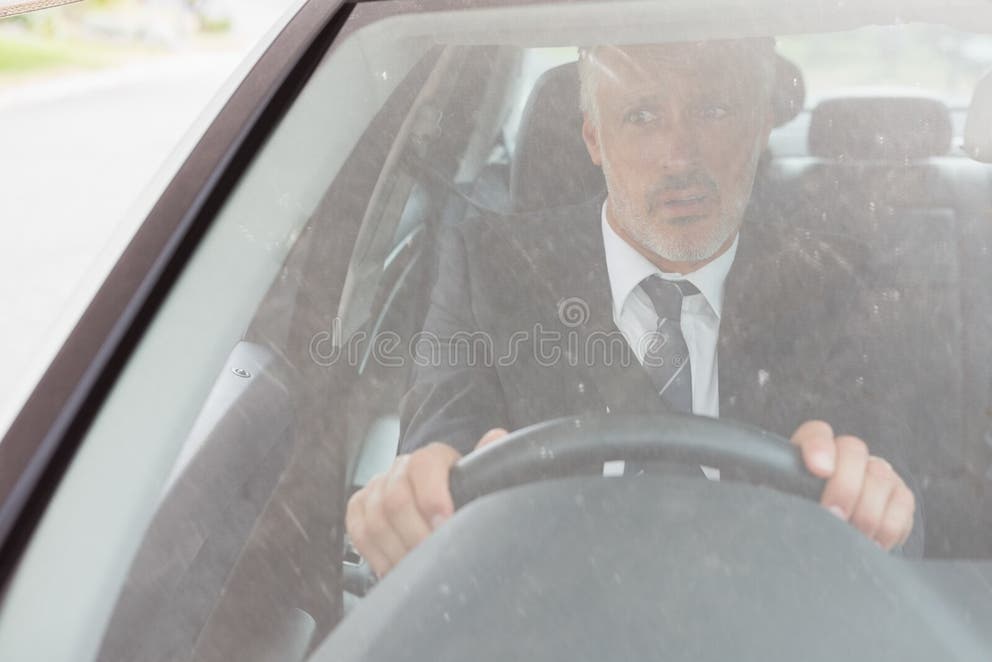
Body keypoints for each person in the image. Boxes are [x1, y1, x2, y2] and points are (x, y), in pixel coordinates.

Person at [346, 39, 920, 578]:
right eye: (642, 116)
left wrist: (882, 506)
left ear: (761, 124)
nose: (680, 155)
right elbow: (435, 456)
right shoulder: (490, 269)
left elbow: (907, 513)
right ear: (594, 139)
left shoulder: (835, 281)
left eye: (715, 110)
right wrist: (412, 503)